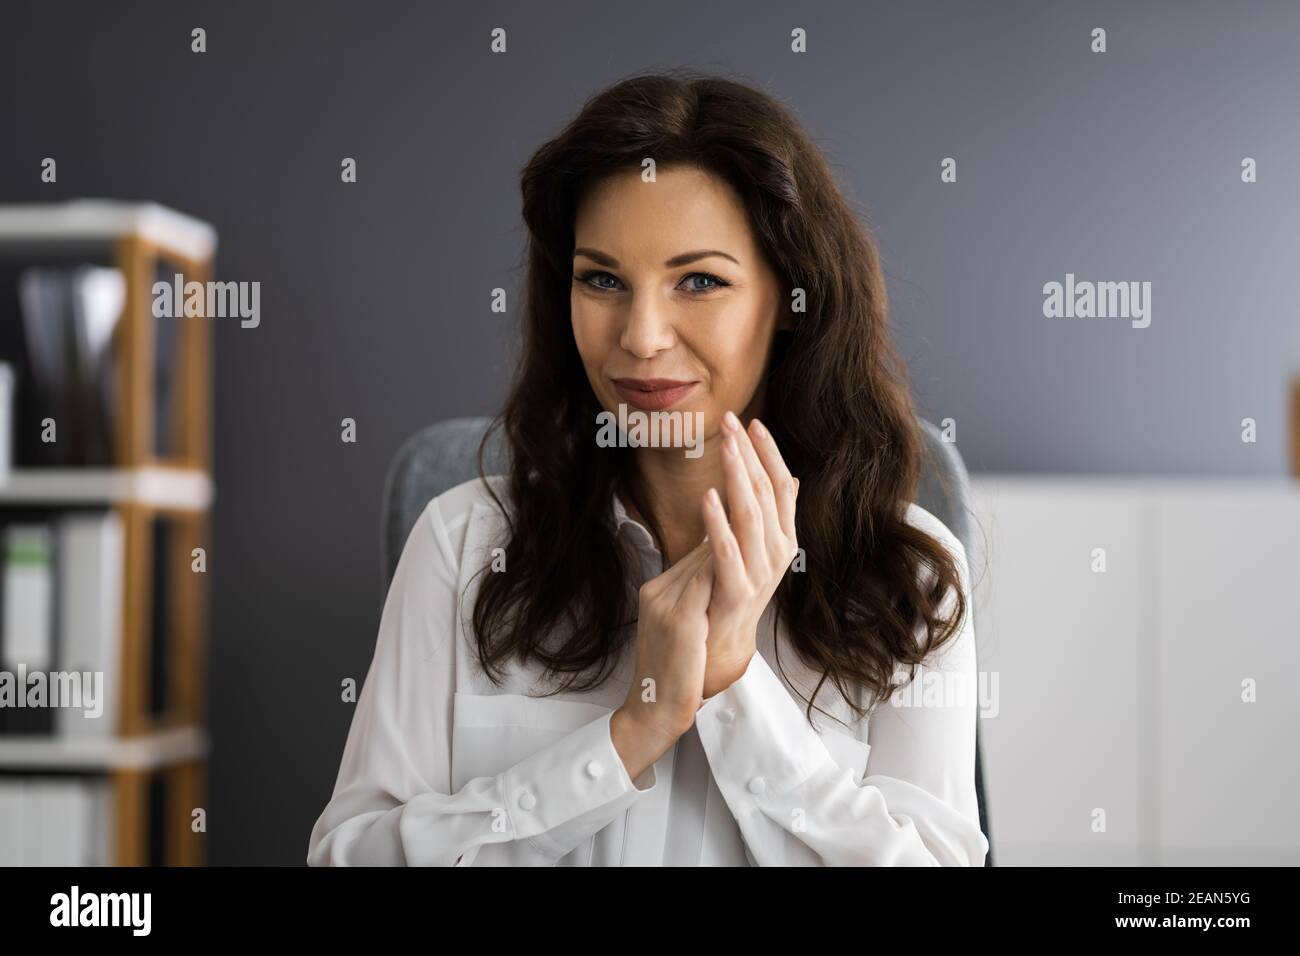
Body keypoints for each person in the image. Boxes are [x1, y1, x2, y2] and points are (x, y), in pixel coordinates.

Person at [307, 70, 988, 866]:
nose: (640, 335)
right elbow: (349, 857)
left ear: (791, 300)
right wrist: (629, 735)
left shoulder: (910, 578)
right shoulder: (461, 544)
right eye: (602, 280)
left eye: (699, 281)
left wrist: (733, 680)